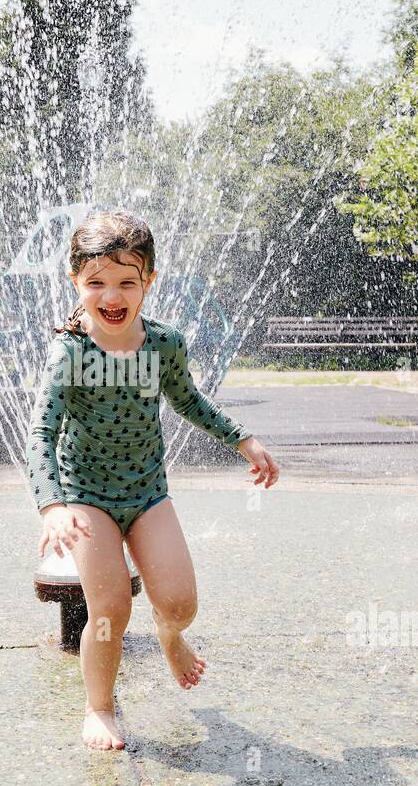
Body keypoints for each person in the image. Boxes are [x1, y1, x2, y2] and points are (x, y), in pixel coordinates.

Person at [24, 208, 280, 750]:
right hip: (85, 496)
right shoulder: (70, 352)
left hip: (145, 494)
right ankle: (98, 707)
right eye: (96, 282)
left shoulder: (164, 345)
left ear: (149, 282)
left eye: (126, 282)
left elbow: (188, 400)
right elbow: (40, 432)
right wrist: (52, 506)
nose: (111, 296)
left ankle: (170, 637)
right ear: (76, 282)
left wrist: (243, 440)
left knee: (182, 604)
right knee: (111, 610)